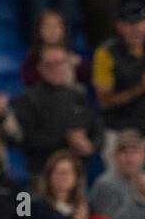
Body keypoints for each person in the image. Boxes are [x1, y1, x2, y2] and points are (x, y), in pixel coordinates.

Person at [91, 0, 145, 155]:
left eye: (141, 23)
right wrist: (142, 86)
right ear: (119, 26)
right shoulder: (105, 53)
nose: (137, 29)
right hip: (117, 130)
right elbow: (104, 102)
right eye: (130, 24)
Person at [14, 44, 99, 175]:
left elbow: (96, 128)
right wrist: (67, 139)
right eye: (49, 65)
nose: (55, 69)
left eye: (59, 63)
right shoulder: (27, 99)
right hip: (43, 172)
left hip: (77, 174)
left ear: (67, 65)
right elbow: (26, 140)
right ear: (40, 68)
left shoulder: (78, 95)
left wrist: (91, 145)